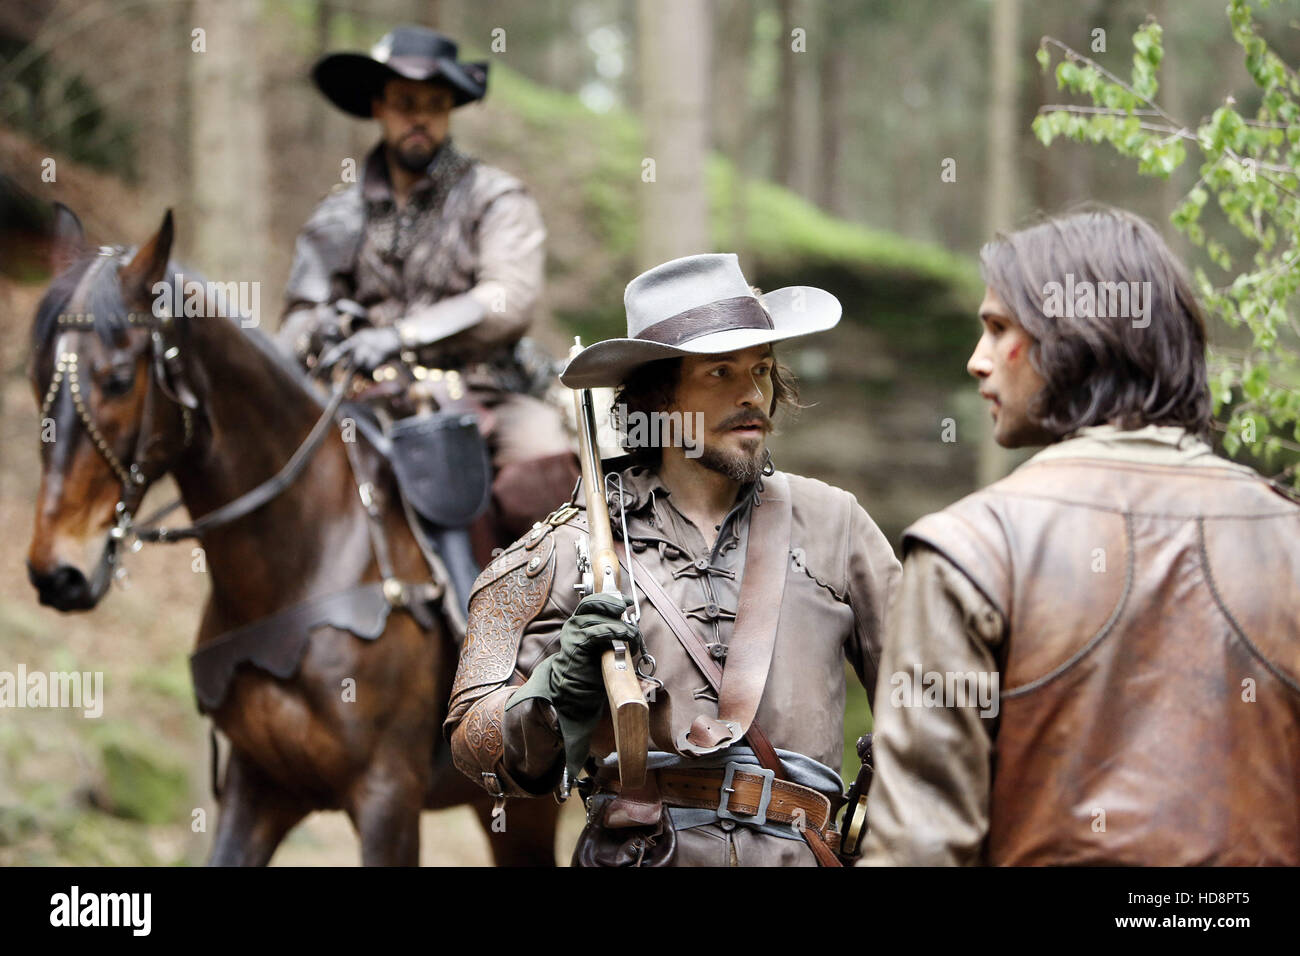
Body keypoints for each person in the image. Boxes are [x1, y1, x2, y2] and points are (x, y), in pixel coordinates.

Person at [861, 206, 1300, 866]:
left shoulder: (970, 550)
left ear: (1082, 336)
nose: (977, 361)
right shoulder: (1287, 538)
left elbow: (918, 852)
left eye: (1000, 329)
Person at [444, 252, 901, 866]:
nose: (752, 394)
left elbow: (928, 699)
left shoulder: (836, 523)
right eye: (719, 373)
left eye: (762, 370)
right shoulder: (565, 546)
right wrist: (556, 693)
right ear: (660, 399)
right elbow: (477, 748)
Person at [278, 25, 577, 546]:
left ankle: (562, 622)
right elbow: (299, 315)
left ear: (450, 112)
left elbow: (508, 298)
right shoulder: (337, 214)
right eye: (405, 102)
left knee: (547, 478)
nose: (419, 117)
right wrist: (320, 328)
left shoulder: (496, 198)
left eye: (434, 105)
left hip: (487, 391)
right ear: (378, 106)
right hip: (367, 396)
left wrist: (401, 334)